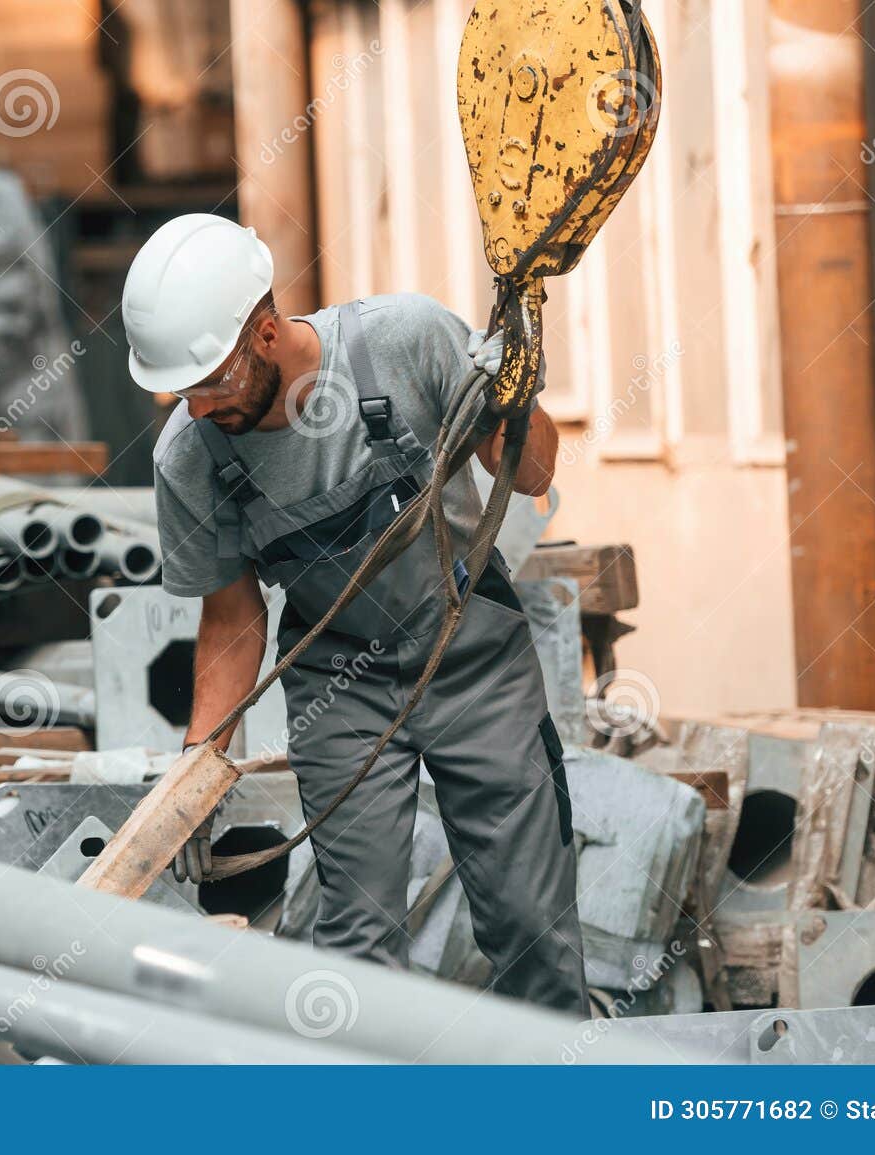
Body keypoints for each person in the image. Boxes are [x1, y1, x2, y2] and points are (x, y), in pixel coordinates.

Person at [123, 214, 587, 1013]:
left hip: (471, 655)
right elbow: (233, 621)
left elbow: (535, 469)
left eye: (212, 384)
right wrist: (196, 772)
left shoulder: (406, 343)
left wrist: (516, 395)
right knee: (358, 948)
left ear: (265, 332)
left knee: (528, 921)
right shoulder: (191, 458)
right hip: (341, 684)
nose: (197, 411)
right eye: (183, 391)